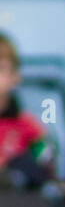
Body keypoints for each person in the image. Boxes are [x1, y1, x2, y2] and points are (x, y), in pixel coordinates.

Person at [0, 34, 56, 192]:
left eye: (1, 69)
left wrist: (11, 166)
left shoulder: (29, 127)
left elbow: (46, 165)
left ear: (15, 77)